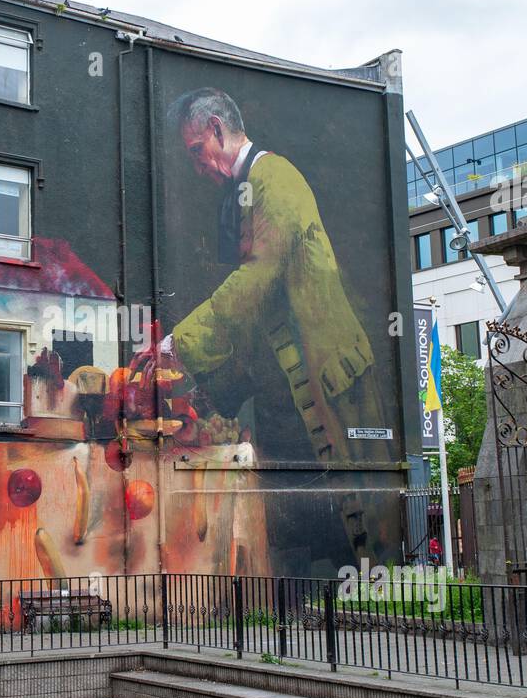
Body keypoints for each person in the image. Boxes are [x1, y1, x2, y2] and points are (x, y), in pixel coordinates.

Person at [162, 87, 380, 463]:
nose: (197, 168)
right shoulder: (247, 188)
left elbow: (256, 281)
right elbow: (259, 322)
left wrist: (179, 346)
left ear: (216, 129)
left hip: (333, 383)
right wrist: (211, 395)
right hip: (307, 386)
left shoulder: (273, 178)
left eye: (197, 150)